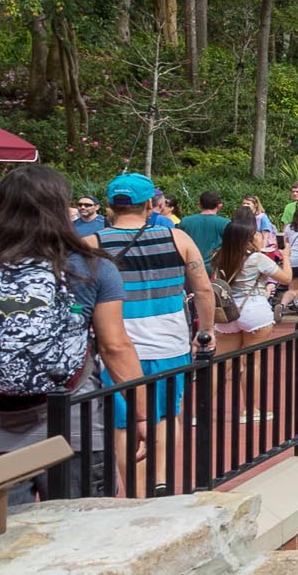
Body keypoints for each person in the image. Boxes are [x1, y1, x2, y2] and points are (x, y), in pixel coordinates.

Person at [0, 164, 138, 499]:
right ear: (61, 208)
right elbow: (115, 347)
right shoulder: (91, 265)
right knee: (81, 533)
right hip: (73, 424)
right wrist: (139, 414)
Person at [82, 173, 216, 453]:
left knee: (122, 422)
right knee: (166, 415)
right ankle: (160, 484)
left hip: (115, 346)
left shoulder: (91, 245)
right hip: (169, 344)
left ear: (108, 205)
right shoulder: (177, 238)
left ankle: (136, 491)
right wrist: (206, 330)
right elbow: (203, 290)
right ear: (150, 205)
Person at [207, 218, 285, 351]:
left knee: (222, 362)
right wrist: (286, 257)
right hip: (254, 309)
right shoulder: (256, 258)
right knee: (254, 362)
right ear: (247, 239)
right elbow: (286, 279)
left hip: (227, 310)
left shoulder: (217, 256)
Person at [177, 190, 229, 263]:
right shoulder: (226, 223)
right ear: (219, 205)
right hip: (214, 267)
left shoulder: (185, 221)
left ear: (199, 204)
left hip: (190, 266)